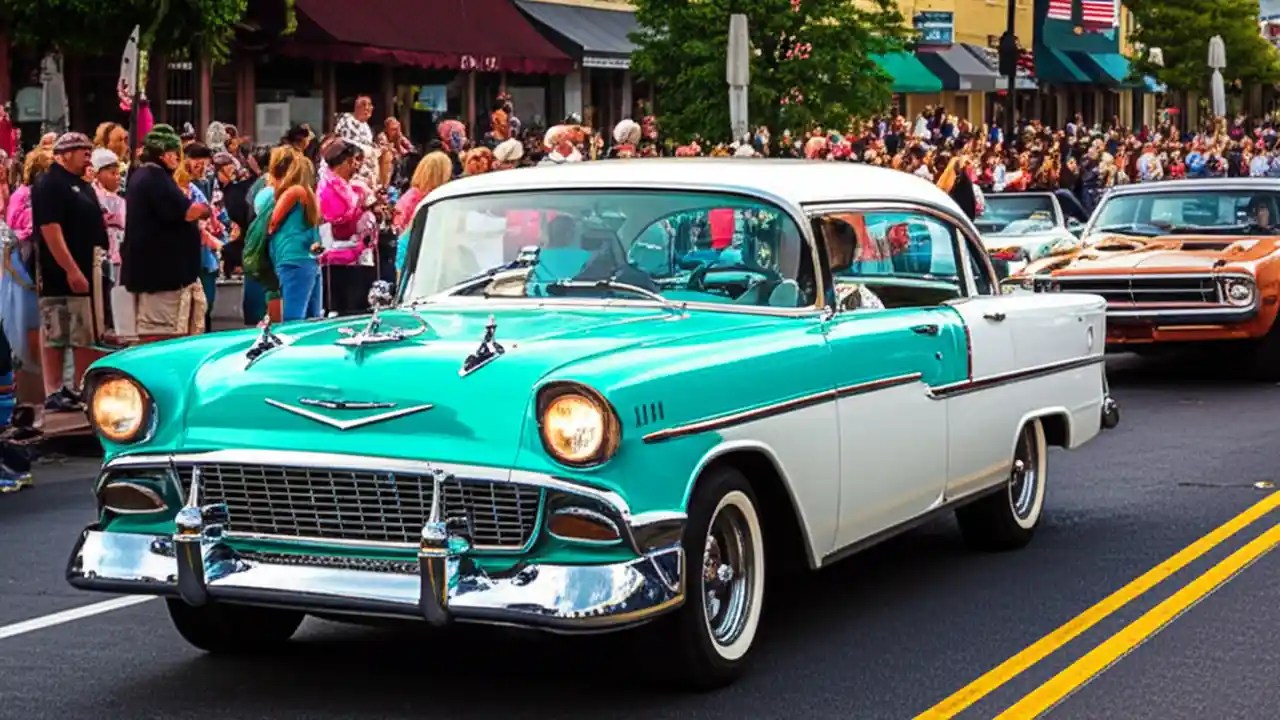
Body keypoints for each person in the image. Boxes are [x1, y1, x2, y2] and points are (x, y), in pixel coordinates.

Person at [29, 132, 107, 411]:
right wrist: (71, 269)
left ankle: (78, 386)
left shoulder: (81, 184)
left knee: (84, 332)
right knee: (57, 331)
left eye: (89, 152)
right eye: (82, 152)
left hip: (89, 267)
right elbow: (50, 229)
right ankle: (53, 389)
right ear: (64, 154)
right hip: (59, 272)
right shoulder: (50, 183)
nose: (88, 157)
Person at [119, 124, 212, 342]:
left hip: (157, 274)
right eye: (174, 153)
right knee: (158, 335)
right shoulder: (154, 178)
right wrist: (205, 210)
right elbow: (188, 212)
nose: (178, 159)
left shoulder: (145, 176)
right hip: (159, 279)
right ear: (164, 154)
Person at [258, 153, 323, 320]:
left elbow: (272, 223)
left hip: (291, 261)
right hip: (308, 261)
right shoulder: (310, 195)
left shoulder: (293, 191)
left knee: (292, 319)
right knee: (312, 319)